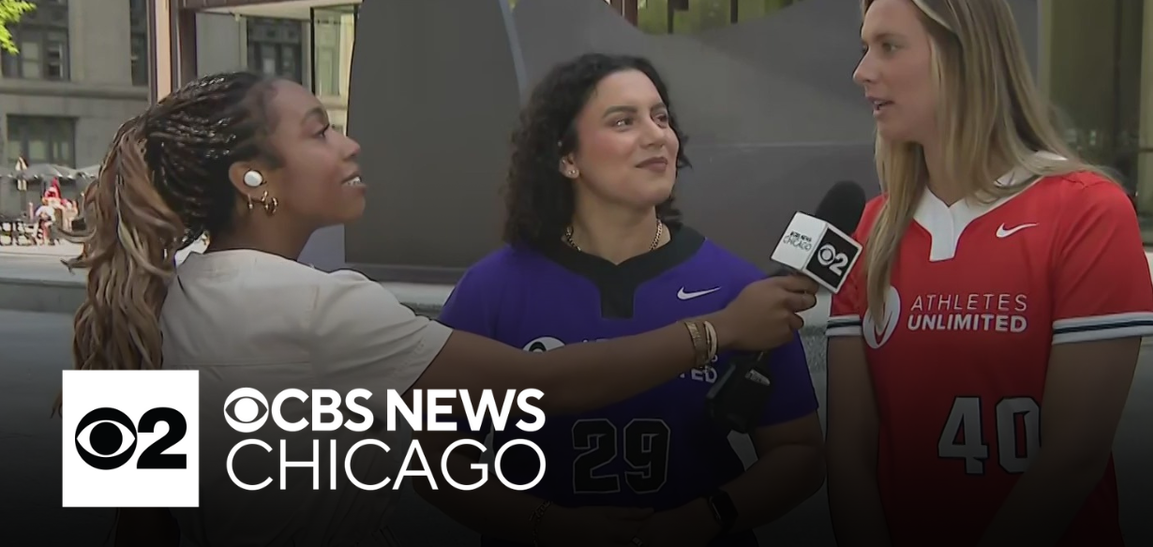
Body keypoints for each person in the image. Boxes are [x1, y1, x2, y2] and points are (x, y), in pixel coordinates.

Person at [58, 71, 822, 547]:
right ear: (254, 180)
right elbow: (544, 386)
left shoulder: (151, 299)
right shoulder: (322, 308)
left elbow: (139, 525)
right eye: (321, 131)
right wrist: (719, 332)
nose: (351, 145)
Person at [419, 53, 826, 547]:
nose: (657, 135)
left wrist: (703, 518)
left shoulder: (736, 289)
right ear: (567, 157)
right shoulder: (492, 289)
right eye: (623, 121)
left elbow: (799, 453)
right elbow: (434, 459)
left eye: (661, 117)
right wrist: (546, 523)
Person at [825, 0, 1153, 547]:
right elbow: (850, 451)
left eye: (889, 47)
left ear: (964, 56)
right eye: (864, 48)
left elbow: (1073, 457)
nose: (862, 72)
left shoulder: (1087, 212)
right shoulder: (874, 227)